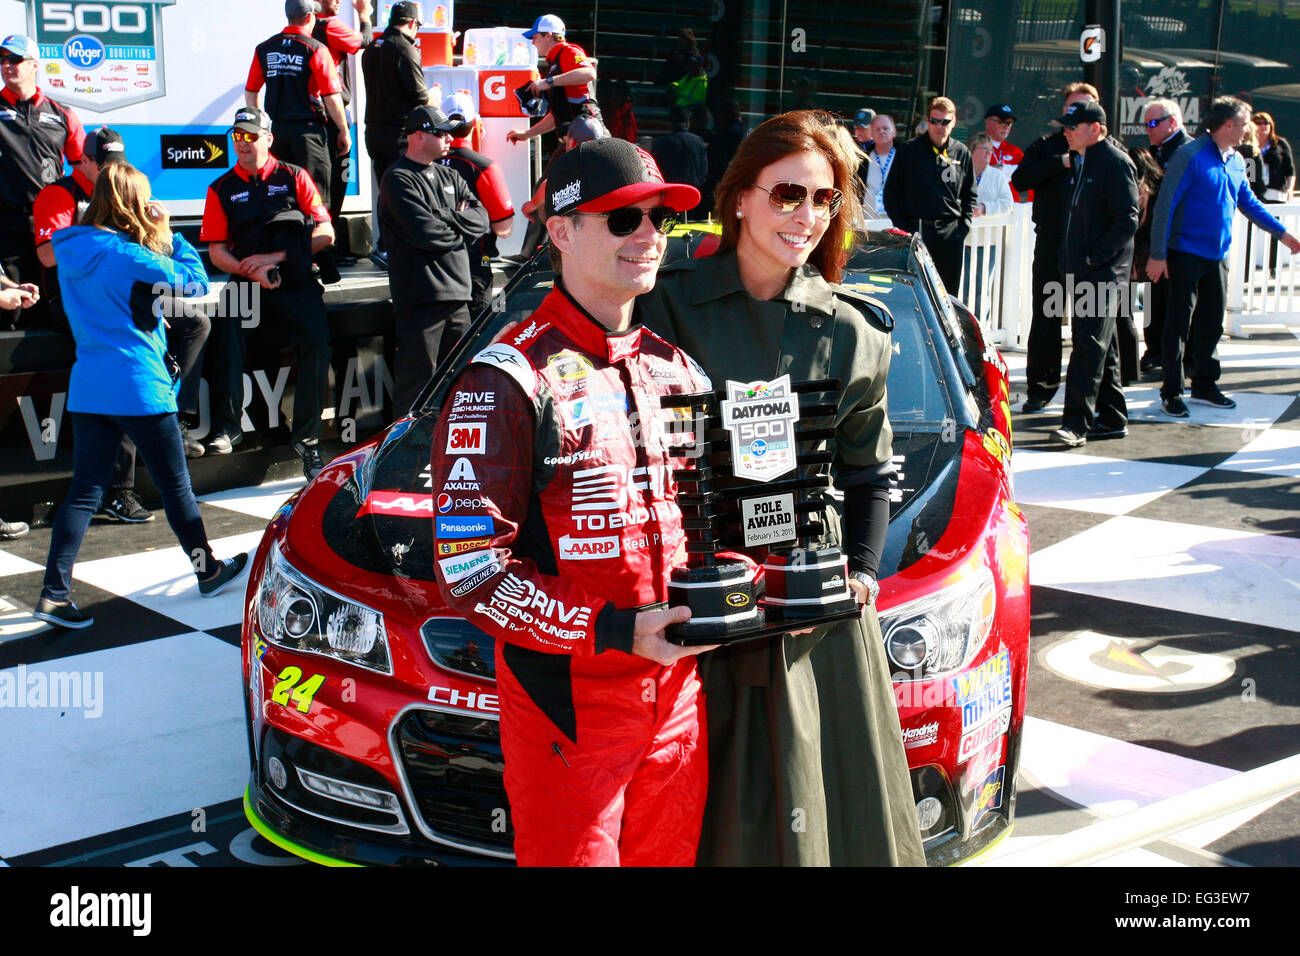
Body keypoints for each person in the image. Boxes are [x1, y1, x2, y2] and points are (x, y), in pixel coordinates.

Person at [638, 109, 926, 866]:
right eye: (786, 194)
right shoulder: (658, 303)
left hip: (809, 599)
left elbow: (869, 471)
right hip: (691, 592)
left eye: (823, 198)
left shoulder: (855, 331)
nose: (805, 215)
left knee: (817, 809)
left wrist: (862, 574)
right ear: (740, 197)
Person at [430, 137, 712, 866]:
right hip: (568, 705)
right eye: (623, 220)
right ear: (560, 230)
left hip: (678, 693)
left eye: (659, 218)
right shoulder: (505, 379)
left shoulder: (675, 369)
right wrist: (617, 632)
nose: (649, 235)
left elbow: (705, 528)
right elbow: (469, 570)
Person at [33, 163, 248, 630]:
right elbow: (196, 283)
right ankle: (206, 568)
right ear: (133, 204)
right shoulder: (129, 256)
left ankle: (52, 593)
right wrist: (168, 233)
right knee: (175, 488)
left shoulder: (70, 248)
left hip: (90, 385)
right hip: (138, 385)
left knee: (85, 492)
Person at [35, 127, 210, 526]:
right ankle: (122, 491)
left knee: (196, 321)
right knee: (129, 364)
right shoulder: (60, 194)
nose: (113, 171)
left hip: (125, 286)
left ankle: (173, 409)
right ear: (85, 161)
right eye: (105, 164)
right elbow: (48, 256)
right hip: (77, 297)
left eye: (118, 163)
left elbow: (146, 257)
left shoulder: (124, 199)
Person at [200, 107, 335, 478]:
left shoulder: (294, 177)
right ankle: (228, 427)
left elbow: (326, 234)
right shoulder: (222, 187)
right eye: (237, 136)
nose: (242, 143)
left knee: (317, 341)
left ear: (268, 138)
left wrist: (274, 258)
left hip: (293, 277)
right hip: (247, 281)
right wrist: (251, 269)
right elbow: (216, 251)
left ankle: (307, 439)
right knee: (225, 325)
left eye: (250, 135)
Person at [1148, 97, 1300, 417]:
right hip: (1183, 254)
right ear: (1228, 125)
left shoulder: (1234, 160)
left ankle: (1204, 384)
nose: (1250, 132)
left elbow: (1249, 203)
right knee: (1177, 324)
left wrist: (1283, 235)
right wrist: (1158, 254)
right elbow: (1165, 206)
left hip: (1217, 256)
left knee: (1211, 322)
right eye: (1245, 125)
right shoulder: (1188, 156)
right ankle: (1172, 391)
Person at [378, 105, 489, 412]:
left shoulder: (450, 174)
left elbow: (482, 219)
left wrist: (445, 218)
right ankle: (405, 458)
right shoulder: (398, 178)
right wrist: (459, 229)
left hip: (459, 296)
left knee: (460, 385)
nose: (448, 138)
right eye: (440, 133)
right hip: (420, 298)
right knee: (418, 387)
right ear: (417, 136)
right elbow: (427, 234)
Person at [1048, 101, 1138, 448]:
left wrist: (1092, 257)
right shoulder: (1084, 161)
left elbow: (1127, 219)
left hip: (1102, 273)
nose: (1066, 131)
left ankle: (1076, 424)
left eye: (1074, 126)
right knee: (1102, 348)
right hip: (1088, 270)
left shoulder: (1114, 163)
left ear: (1096, 128)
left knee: (1087, 348)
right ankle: (1113, 417)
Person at [246, 0, 348, 284]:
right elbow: (331, 96)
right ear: (310, 16)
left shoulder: (265, 48)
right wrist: (343, 130)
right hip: (309, 134)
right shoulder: (316, 48)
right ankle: (320, 262)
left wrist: (260, 126)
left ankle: (285, 256)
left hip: (277, 132)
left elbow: (251, 90)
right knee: (317, 197)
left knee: (281, 197)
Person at [1011, 82, 1098, 413]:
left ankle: (1088, 392)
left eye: (1086, 107)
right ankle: (1041, 388)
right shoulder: (1047, 146)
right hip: (1052, 245)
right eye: (1073, 108)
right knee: (1047, 317)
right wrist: (1060, 162)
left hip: (1091, 252)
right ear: (1064, 112)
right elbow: (1020, 180)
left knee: (1089, 320)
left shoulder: (1106, 151)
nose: (1077, 115)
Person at [0, 33, 84, 330]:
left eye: (15, 59)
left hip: (53, 226)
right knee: (13, 311)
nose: (7, 65)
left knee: (56, 305)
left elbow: (84, 169)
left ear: (34, 64)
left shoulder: (62, 114)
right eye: (3, 59)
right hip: (8, 225)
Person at [884, 95, 974, 291]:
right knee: (916, 291)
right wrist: (905, 228)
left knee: (948, 295)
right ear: (927, 121)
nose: (939, 126)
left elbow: (970, 195)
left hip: (950, 235)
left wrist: (962, 228)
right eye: (934, 121)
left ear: (954, 122)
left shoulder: (961, 152)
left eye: (945, 122)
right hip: (917, 232)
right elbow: (891, 193)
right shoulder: (909, 150)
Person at [439, 92, 516, 319]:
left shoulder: (422, 163)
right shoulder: (484, 167)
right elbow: (504, 229)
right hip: (471, 267)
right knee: (470, 342)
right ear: (475, 124)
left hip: (429, 268)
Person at [312, 0, 374, 259]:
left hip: (311, 117)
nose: (338, 1)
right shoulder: (329, 25)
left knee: (319, 185)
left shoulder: (305, 29)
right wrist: (364, 14)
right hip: (331, 115)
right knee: (334, 184)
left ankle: (321, 246)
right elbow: (364, 41)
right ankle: (327, 247)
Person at [1136, 97, 1189, 376]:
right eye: (1146, 124)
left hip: (1178, 241)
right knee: (1154, 299)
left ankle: (1176, 358)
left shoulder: (1186, 150)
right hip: (1155, 240)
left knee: (1175, 302)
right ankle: (1155, 350)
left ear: (1173, 121)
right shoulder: (1156, 151)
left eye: (1154, 123)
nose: (1149, 129)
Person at [360, 2, 428, 192]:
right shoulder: (405, 49)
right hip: (398, 137)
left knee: (387, 197)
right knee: (404, 198)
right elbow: (421, 97)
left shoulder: (372, 47)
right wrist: (436, 96)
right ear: (413, 23)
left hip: (374, 134)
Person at [506, 15, 598, 148]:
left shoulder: (570, 52)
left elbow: (589, 73)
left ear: (548, 35)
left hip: (591, 139)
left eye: (535, 37)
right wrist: (526, 134)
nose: (532, 42)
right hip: (579, 140)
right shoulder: (555, 62)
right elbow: (556, 116)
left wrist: (548, 82)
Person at [651, 105, 707, 213]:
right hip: (694, 192)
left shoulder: (661, 143)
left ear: (670, 122)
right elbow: (703, 170)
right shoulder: (698, 141)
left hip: (670, 194)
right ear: (688, 121)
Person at [860, 113, 897, 220]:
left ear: (894, 132)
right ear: (872, 134)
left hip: (897, 224)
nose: (882, 132)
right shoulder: (863, 159)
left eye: (885, 128)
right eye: (877, 129)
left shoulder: (905, 158)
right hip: (869, 222)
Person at [983, 104, 1023, 198]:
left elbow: (1026, 173)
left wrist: (1001, 168)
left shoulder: (1015, 151)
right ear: (988, 122)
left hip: (1014, 206)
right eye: (1002, 122)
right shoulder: (976, 146)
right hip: (985, 206)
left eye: (1009, 123)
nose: (1006, 127)